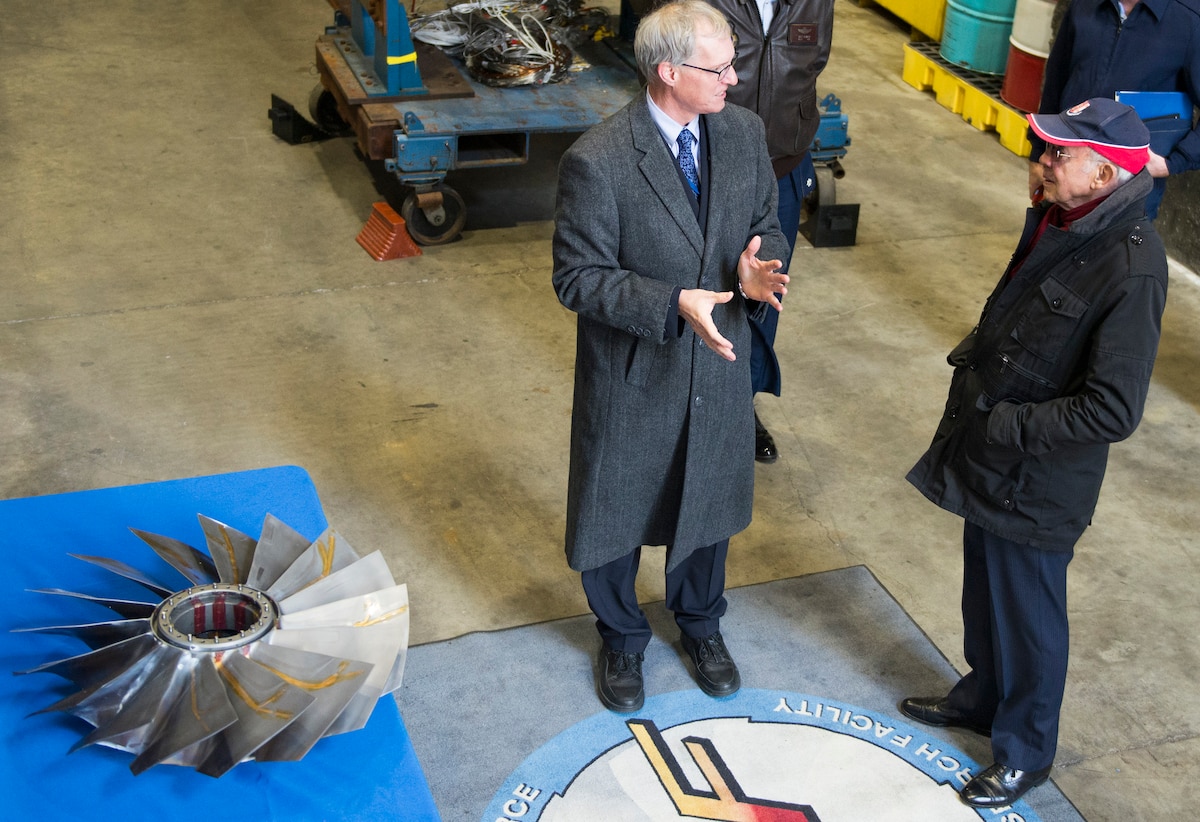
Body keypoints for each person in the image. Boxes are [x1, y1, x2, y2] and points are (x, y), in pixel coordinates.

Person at [904, 98, 1168, 808]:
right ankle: (983, 697)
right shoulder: (1065, 217)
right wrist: (1042, 205)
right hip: (994, 452)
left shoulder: (1130, 266)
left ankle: (1025, 751)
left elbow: (1113, 409)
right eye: (1044, 148)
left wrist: (1005, 426)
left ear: (1107, 174)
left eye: (1059, 154)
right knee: (984, 594)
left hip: (1037, 475)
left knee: (1028, 613)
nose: (1041, 161)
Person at [552, 0, 790, 713]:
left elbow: (767, 227)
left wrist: (756, 274)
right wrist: (671, 303)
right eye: (719, 68)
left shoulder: (743, 135)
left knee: (707, 502)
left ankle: (700, 625)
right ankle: (622, 637)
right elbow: (578, 278)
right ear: (667, 71)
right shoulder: (597, 161)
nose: (735, 80)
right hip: (635, 373)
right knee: (616, 511)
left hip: (718, 363)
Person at [707, 0, 835, 462]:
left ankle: (742, 405)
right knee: (703, 283)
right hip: (708, 165)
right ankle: (694, 408)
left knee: (766, 294)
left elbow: (813, 61)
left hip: (782, 165)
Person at [1029, 0, 1200, 218]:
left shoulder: (1190, 20)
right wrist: (1037, 155)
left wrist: (1173, 163)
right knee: (1051, 242)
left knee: (1112, 251)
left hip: (1127, 191)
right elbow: (1056, 80)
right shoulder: (1084, 6)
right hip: (1064, 177)